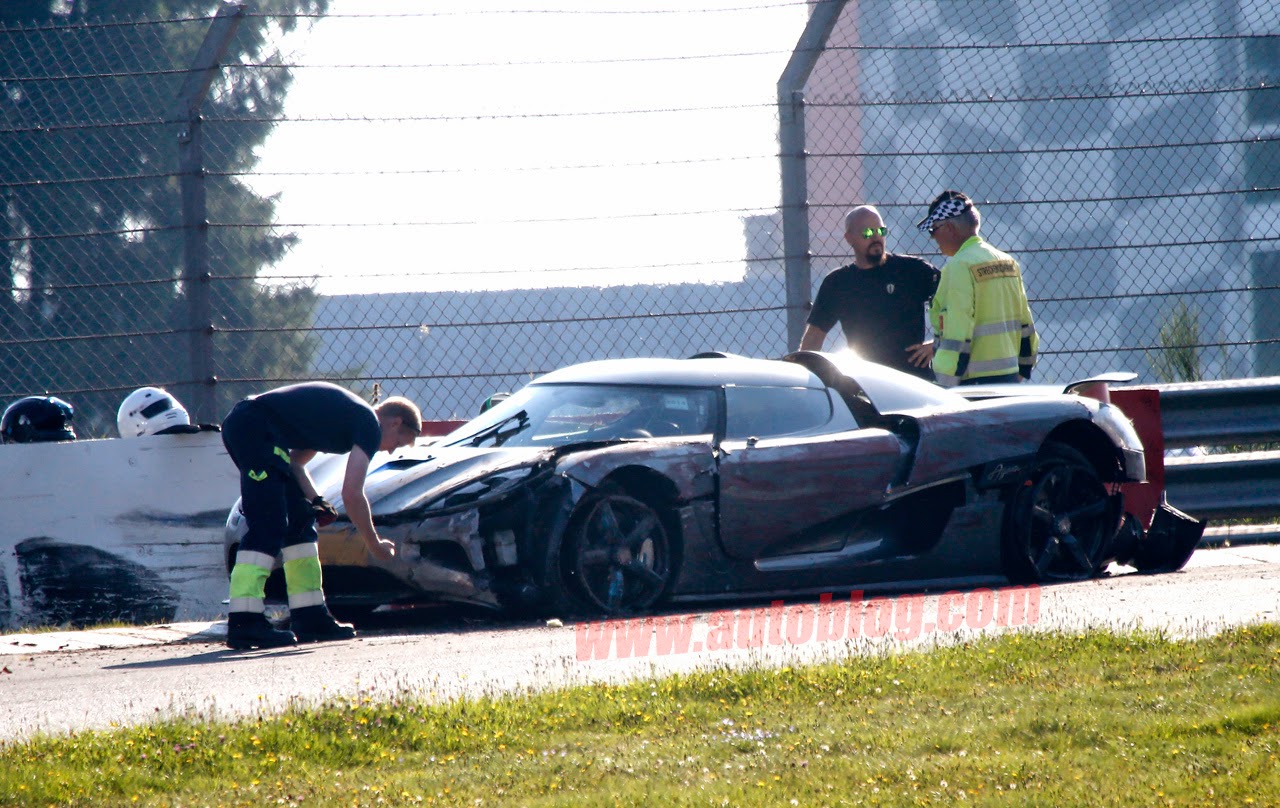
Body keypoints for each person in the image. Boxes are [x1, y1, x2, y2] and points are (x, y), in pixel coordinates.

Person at [221, 381, 423, 650]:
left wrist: (315, 500)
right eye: (398, 443)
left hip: (256, 427)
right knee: (267, 524)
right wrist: (374, 544)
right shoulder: (368, 425)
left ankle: (310, 616)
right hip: (254, 427)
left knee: (300, 523)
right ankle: (244, 623)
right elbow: (352, 493)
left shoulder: (345, 420)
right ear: (396, 422)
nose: (390, 451)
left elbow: (296, 464)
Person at [799, 205, 940, 380]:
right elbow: (814, 335)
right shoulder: (838, 283)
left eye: (881, 230)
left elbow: (955, 301)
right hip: (867, 382)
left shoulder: (913, 270)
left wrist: (936, 344)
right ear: (849, 238)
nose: (876, 237)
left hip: (914, 380)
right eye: (867, 233)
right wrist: (804, 377)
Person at [916, 190, 1038, 387]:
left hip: (973, 383)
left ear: (948, 228)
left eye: (933, 230)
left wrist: (945, 384)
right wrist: (1024, 367)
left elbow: (957, 330)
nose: (933, 238)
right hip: (1009, 377)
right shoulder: (1007, 262)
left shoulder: (959, 267)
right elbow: (1025, 322)